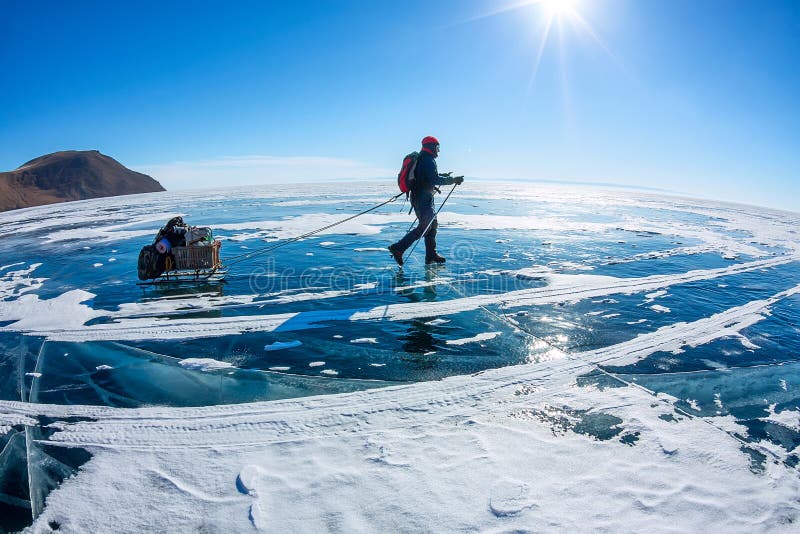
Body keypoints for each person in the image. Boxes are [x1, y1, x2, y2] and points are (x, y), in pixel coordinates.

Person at [389, 136, 464, 266]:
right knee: (425, 226)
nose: (438, 151)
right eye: (437, 147)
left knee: (432, 224)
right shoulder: (427, 160)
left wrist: (443, 176)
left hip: (423, 197)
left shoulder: (424, 159)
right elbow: (434, 179)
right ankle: (398, 248)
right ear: (431, 147)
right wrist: (453, 179)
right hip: (422, 199)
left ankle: (431, 254)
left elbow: (426, 177)